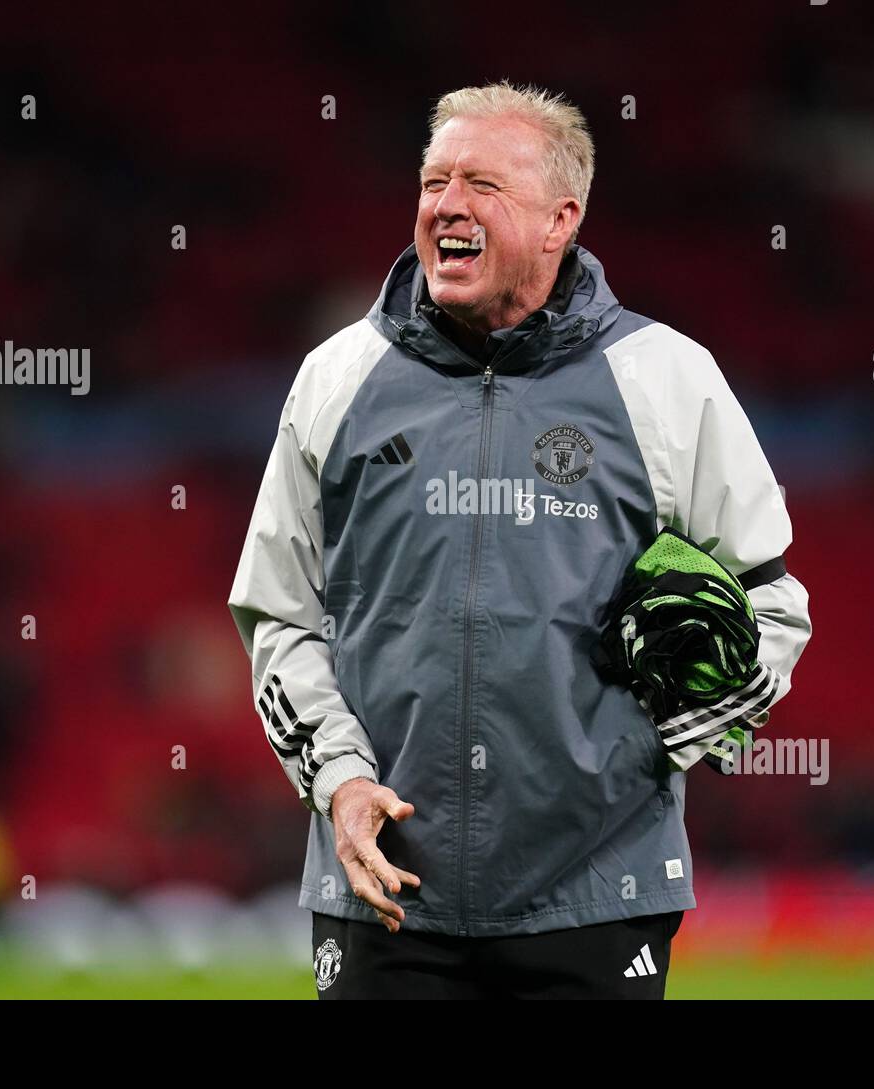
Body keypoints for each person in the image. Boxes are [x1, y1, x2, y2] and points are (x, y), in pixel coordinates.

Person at [228, 80, 811, 999]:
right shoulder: (336, 378)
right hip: (383, 893)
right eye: (434, 181)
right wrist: (339, 779)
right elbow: (278, 618)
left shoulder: (666, 379)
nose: (447, 205)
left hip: (598, 892)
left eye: (482, 185)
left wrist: (650, 747)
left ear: (559, 221)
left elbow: (773, 602)